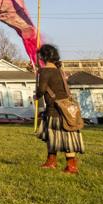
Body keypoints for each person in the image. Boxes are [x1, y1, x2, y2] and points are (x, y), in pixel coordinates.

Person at [35, 44, 84, 174]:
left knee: (52, 136)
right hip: (67, 109)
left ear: (43, 57)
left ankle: (51, 162)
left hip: (54, 109)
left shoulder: (44, 71)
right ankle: (71, 166)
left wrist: (37, 95)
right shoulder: (59, 71)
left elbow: (41, 89)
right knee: (68, 137)